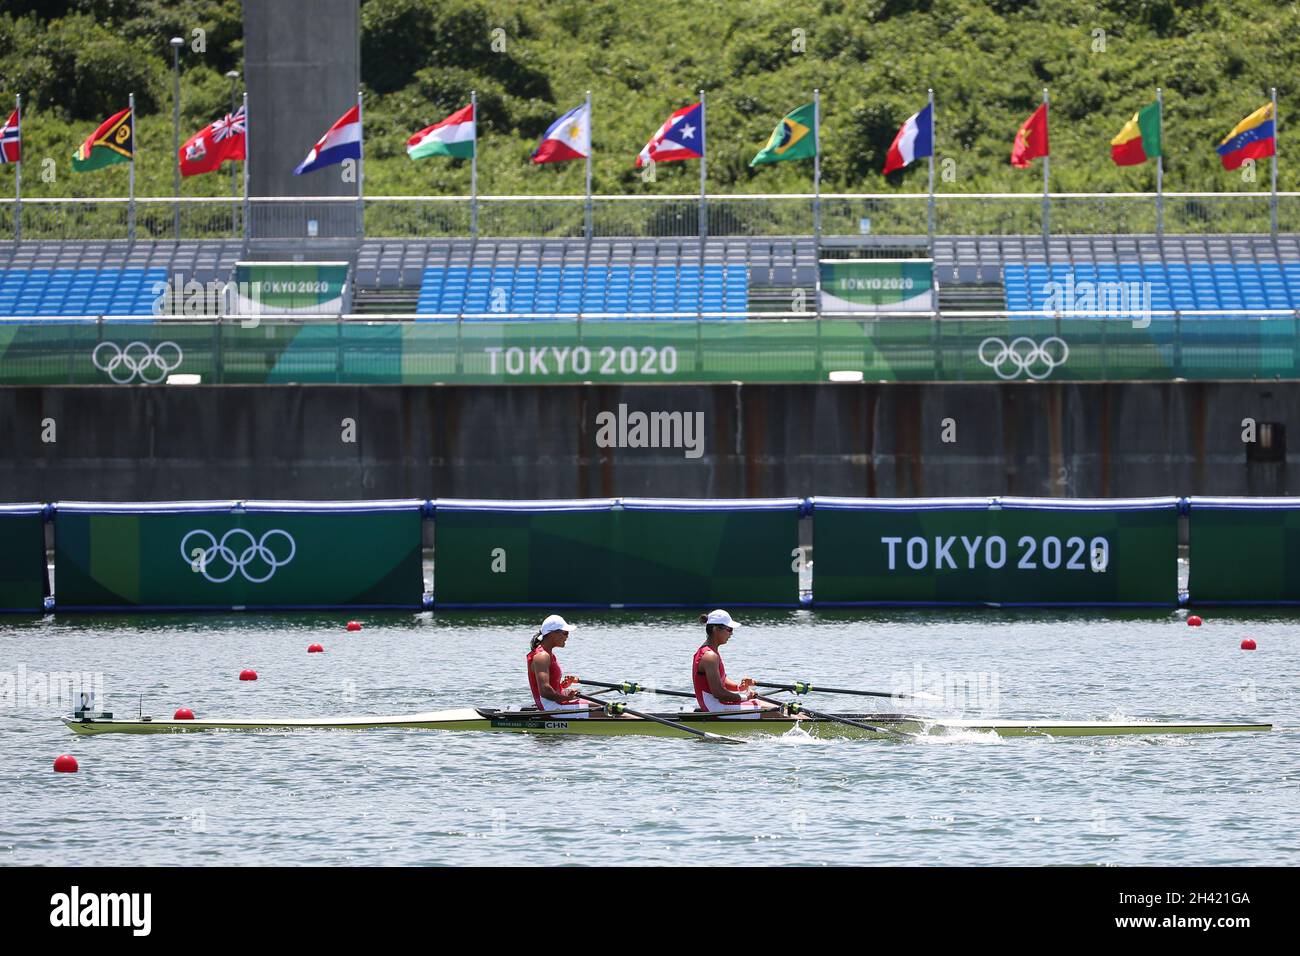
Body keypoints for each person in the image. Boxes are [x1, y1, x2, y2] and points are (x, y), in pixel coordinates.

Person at [691, 609, 783, 718]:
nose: (731, 633)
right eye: (729, 629)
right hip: (716, 708)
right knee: (773, 710)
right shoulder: (710, 656)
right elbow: (718, 693)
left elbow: (722, 679)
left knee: (780, 709)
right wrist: (744, 697)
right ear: (716, 629)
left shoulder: (709, 652)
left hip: (718, 706)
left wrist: (739, 687)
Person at [527, 614, 600, 718]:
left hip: (557, 704)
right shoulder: (542, 656)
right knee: (612, 712)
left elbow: (550, 688)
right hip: (553, 709)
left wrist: (563, 687)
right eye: (565, 633)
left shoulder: (548, 654)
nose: (567, 636)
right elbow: (545, 692)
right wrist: (567, 698)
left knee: (608, 708)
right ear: (552, 634)